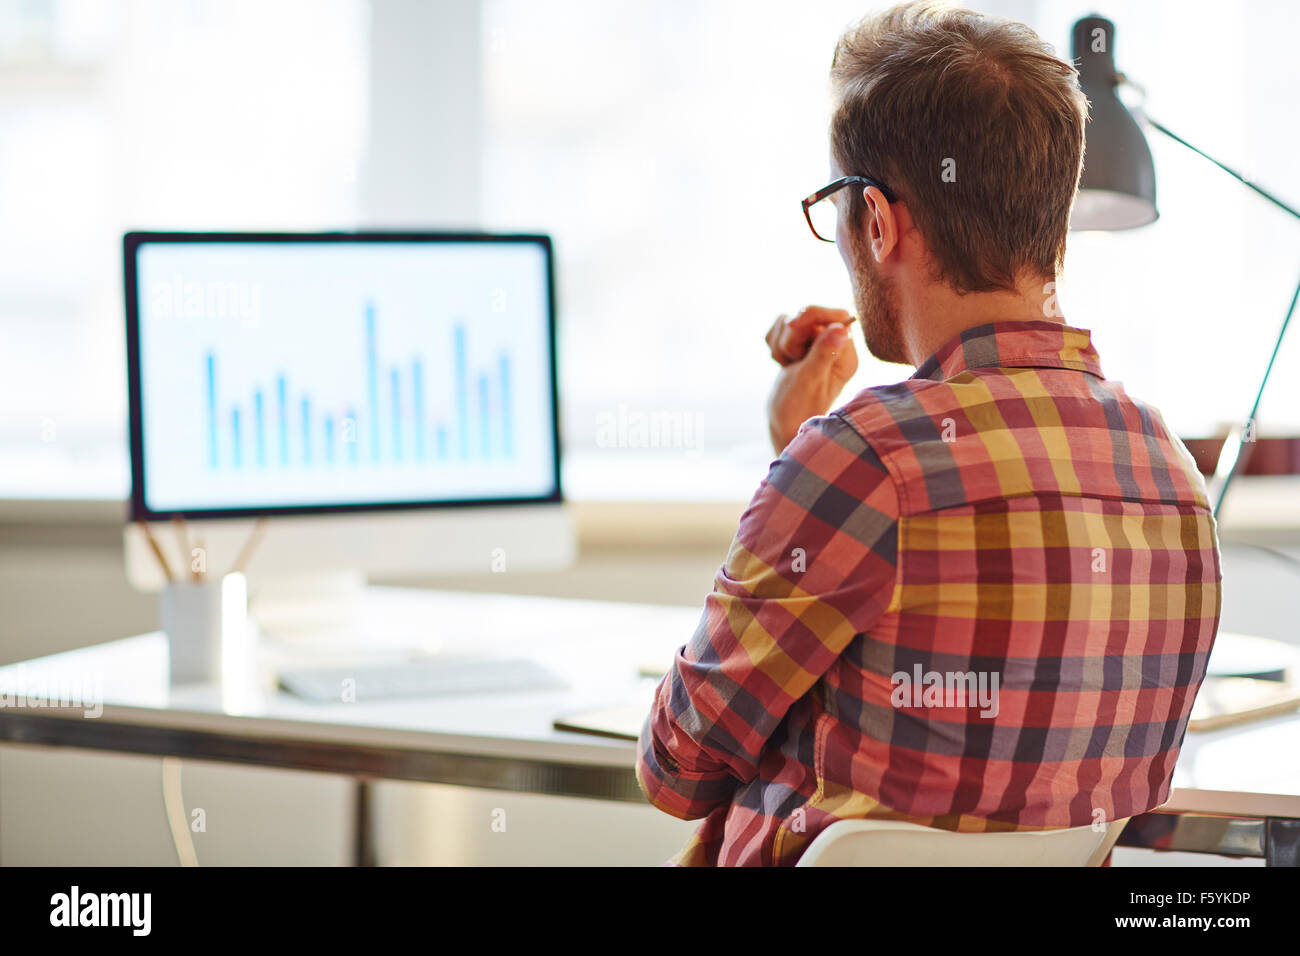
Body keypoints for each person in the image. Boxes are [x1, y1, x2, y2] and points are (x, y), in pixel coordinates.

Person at [635, 0, 1222, 866]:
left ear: (879, 220)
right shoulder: (1171, 478)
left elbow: (676, 767)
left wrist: (803, 463)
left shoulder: (857, 462)